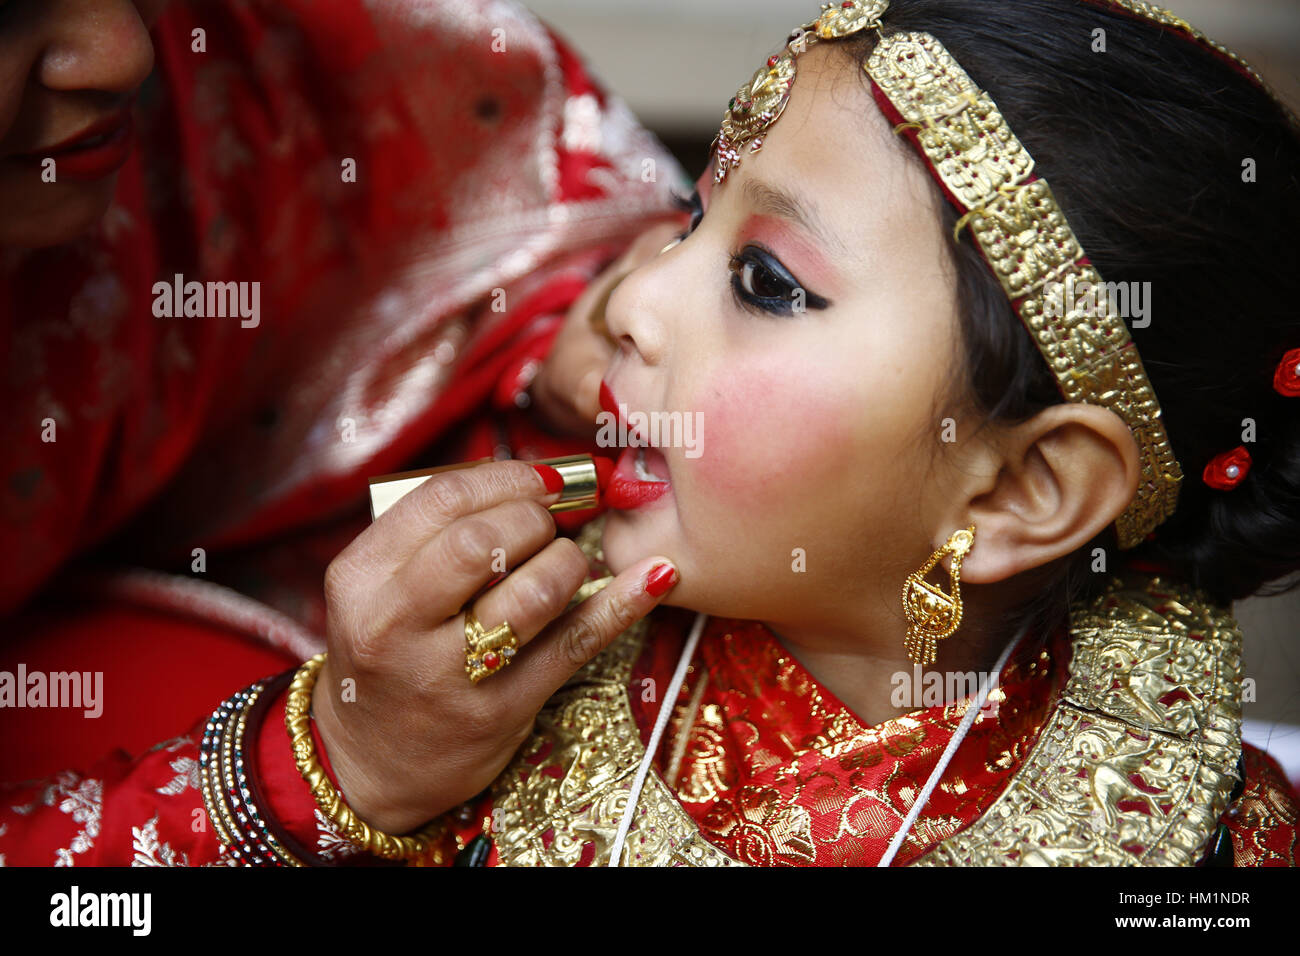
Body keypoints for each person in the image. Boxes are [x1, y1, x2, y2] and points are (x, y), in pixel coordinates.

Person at [3, 0, 1298, 867]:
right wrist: (331, 769)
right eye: (693, 221)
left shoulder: (1203, 837)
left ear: (1025, 490)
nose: (626, 296)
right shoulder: (470, 717)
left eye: (769, 283)